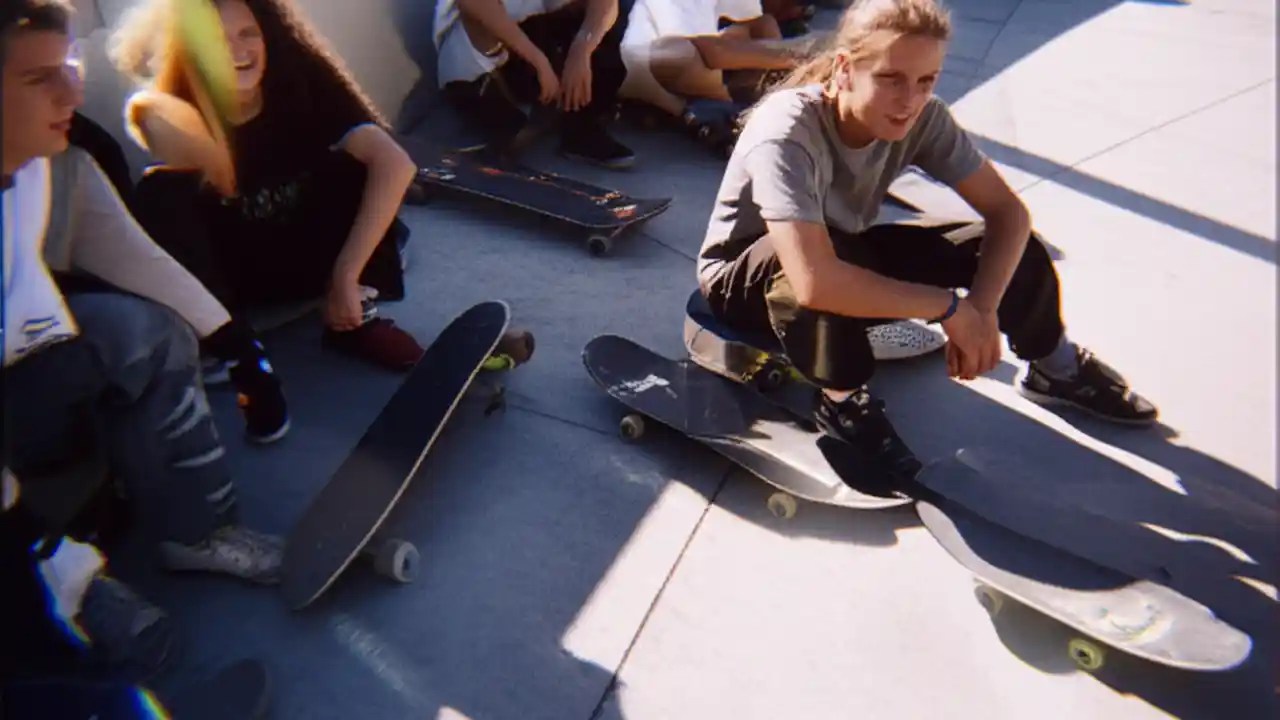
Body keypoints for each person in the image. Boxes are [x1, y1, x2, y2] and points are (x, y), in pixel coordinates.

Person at [695, 0, 1158, 483]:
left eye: (926, 81)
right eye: (892, 79)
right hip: (745, 276)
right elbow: (814, 282)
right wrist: (949, 310)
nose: (910, 100)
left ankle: (1053, 365)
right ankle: (842, 402)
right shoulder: (787, 130)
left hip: (844, 249)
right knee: (819, 269)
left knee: (990, 243)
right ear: (845, 69)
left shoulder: (923, 119)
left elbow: (1008, 214)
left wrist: (982, 308)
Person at [3, 0, 283, 652]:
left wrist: (240, 350)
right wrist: (56, 566)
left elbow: (126, 250)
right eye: (38, 77)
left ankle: (195, 532)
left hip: (27, 370)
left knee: (148, 332)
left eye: (68, 64)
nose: (74, 89)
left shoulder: (49, 159)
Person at [110, 0, 425, 373]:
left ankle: (352, 314)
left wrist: (345, 275)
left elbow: (395, 163)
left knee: (358, 159)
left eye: (248, 34)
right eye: (216, 40)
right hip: (238, 272)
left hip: (308, 252)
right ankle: (225, 341)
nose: (239, 51)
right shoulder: (173, 104)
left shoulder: (299, 72)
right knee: (159, 192)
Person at [435, 0, 637, 168]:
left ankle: (577, 128)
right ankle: (509, 137)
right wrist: (538, 60)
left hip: (531, 45)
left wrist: (581, 51)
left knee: (608, 24)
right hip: (479, 70)